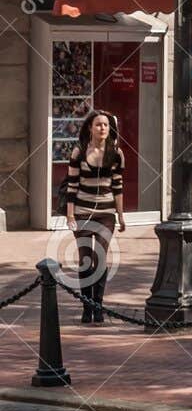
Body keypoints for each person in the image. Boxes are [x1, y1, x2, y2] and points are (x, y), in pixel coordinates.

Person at [66, 110, 126, 324]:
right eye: (98, 124)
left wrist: (120, 215)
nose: (103, 128)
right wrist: (70, 215)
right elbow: (72, 187)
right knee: (85, 261)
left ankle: (98, 306)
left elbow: (118, 186)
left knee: (100, 258)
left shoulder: (116, 153)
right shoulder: (78, 152)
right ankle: (86, 307)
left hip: (106, 213)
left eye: (106, 125)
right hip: (82, 211)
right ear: (90, 128)